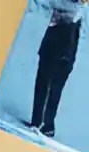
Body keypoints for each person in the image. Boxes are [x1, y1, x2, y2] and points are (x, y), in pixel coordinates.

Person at [31, 0, 88, 137]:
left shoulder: (73, 8)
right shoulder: (74, 8)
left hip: (61, 50)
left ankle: (43, 123)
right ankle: (40, 122)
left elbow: (53, 4)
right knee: (46, 85)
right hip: (56, 47)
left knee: (49, 86)